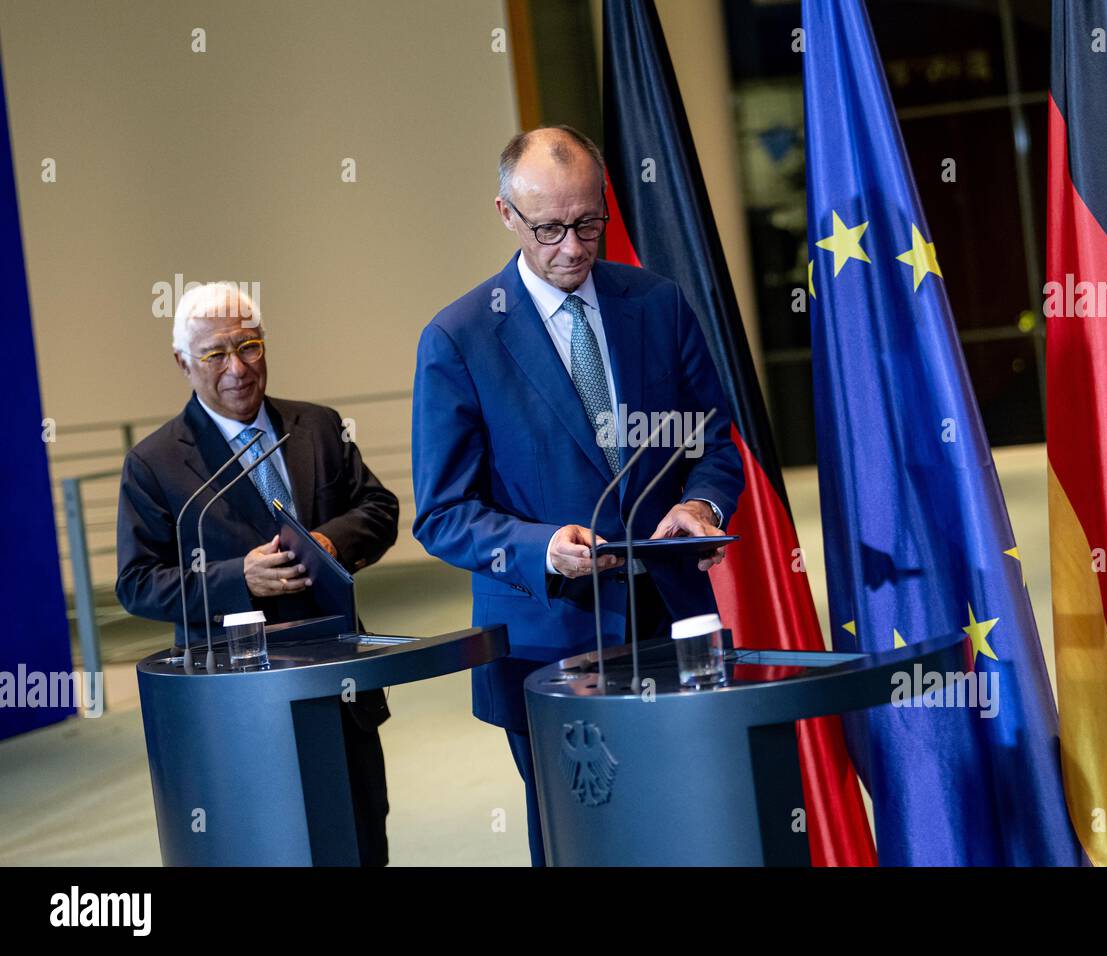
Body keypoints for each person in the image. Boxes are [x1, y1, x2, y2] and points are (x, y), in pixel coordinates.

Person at [411, 125, 744, 865]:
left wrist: (701, 507)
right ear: (506, 214)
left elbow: (712, 444)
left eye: (588, 222)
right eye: (550, 228)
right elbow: (442, 514)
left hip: (671, 628)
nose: (573, 246)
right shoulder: (459, 339)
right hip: (548, 647)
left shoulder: (657, 303)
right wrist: (543, 551)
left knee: (695, 832)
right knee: (587, 847)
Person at [115, 281, 399, 866]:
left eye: (249, 346)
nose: (237, 368)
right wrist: (236, 579)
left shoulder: (318, 426)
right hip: (233, 703)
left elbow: (379, 510)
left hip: (337, 691)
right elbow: (138, 582)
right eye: (215, 354)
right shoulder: (156, 462)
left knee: (360, 843)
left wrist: (327, 541)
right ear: (182, 363)